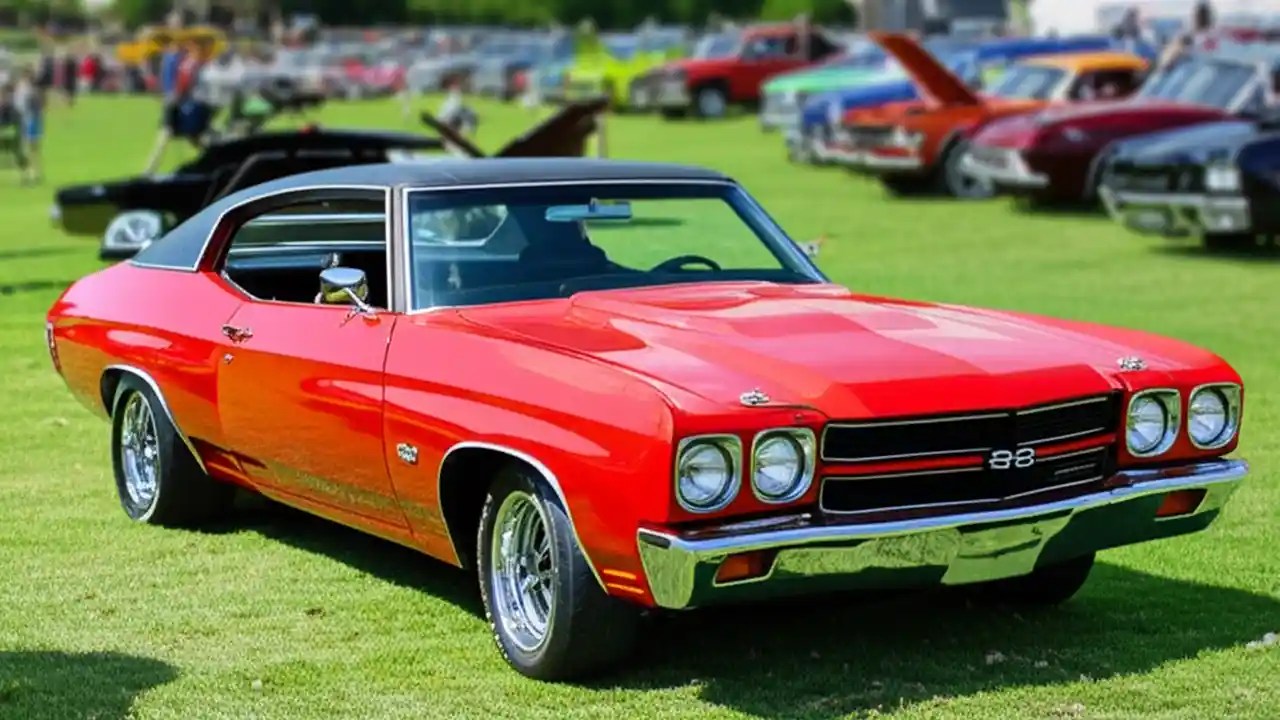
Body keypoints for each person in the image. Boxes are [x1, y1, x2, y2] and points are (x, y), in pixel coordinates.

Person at [14, 67, 44, 185]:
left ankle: (35, 172)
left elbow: (39, 106)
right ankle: (28, 173)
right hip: (28, 119)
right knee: (28, 146)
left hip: (34, 119)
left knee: (34, 146)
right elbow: (19, 106)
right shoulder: (23, 89)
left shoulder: (32, 89)